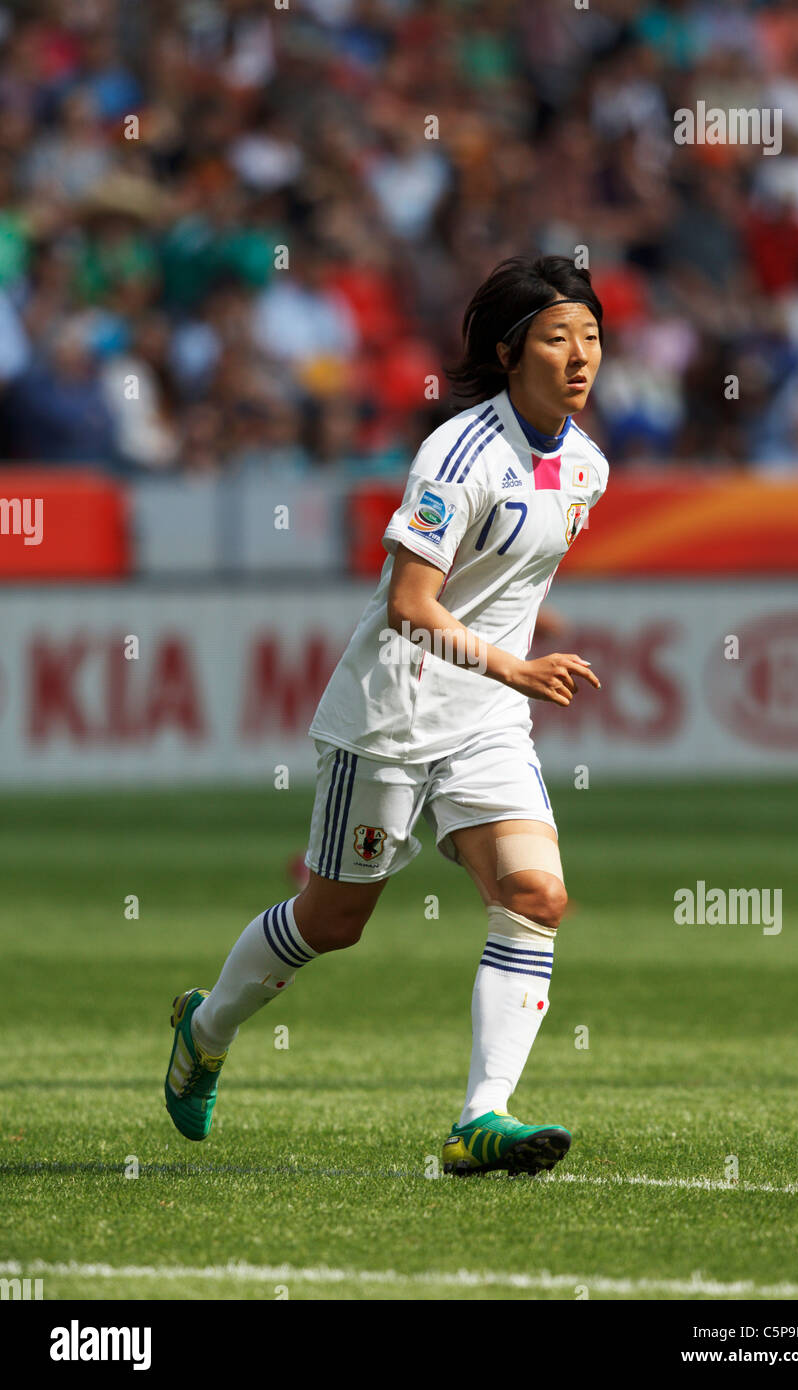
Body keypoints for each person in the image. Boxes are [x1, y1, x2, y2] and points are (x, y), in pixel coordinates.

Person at [164, 254, 608, 1177]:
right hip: (393, 714)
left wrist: (520, 643)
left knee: (536, 896)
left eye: (592, 336)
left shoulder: (587, 466)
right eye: (559, 337)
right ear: (508, 348)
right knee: (333, 922)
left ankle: (481, 1119)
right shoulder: (459, 453)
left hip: (487, 717)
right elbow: (413, 605)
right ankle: (204, 1031)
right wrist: (515, 664)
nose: (580, 356)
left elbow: (503, 576)